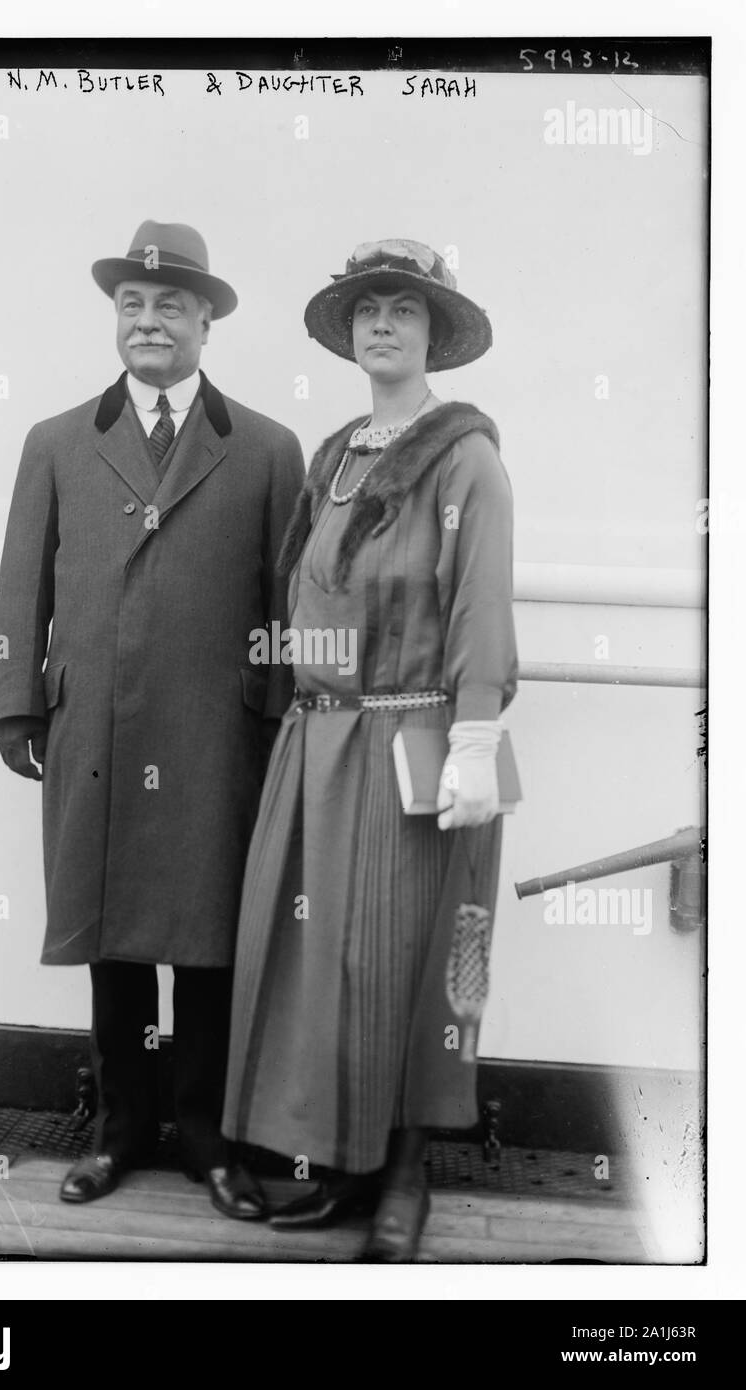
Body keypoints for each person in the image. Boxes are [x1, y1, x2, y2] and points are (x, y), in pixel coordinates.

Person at [0, 220, 305, 1220]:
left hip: (219, 737)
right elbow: (17, 589)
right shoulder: (54, 442)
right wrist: (14, 706)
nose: (149, 320)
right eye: (133, 303)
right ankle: (118, 1128)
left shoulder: (263, 448)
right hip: (97, 740)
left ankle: (210, 1137)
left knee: (208, 938)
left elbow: (288, 607)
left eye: (171, 305)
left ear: (205, 323)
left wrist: (281, 714)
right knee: (112, 935)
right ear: (115, 321)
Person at [221, 239, 518, 1261]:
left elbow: (479, 602)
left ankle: (404, 1173)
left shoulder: (464, 456)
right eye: (365, 309)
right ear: (347, 333)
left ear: (434, 331)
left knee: (421, 959)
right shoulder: (334, 449)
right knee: (327, 962)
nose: (381, 323)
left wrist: (475, 734)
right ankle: (337, 1160)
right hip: (322, 740)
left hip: (421, 734)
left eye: (403, 308)